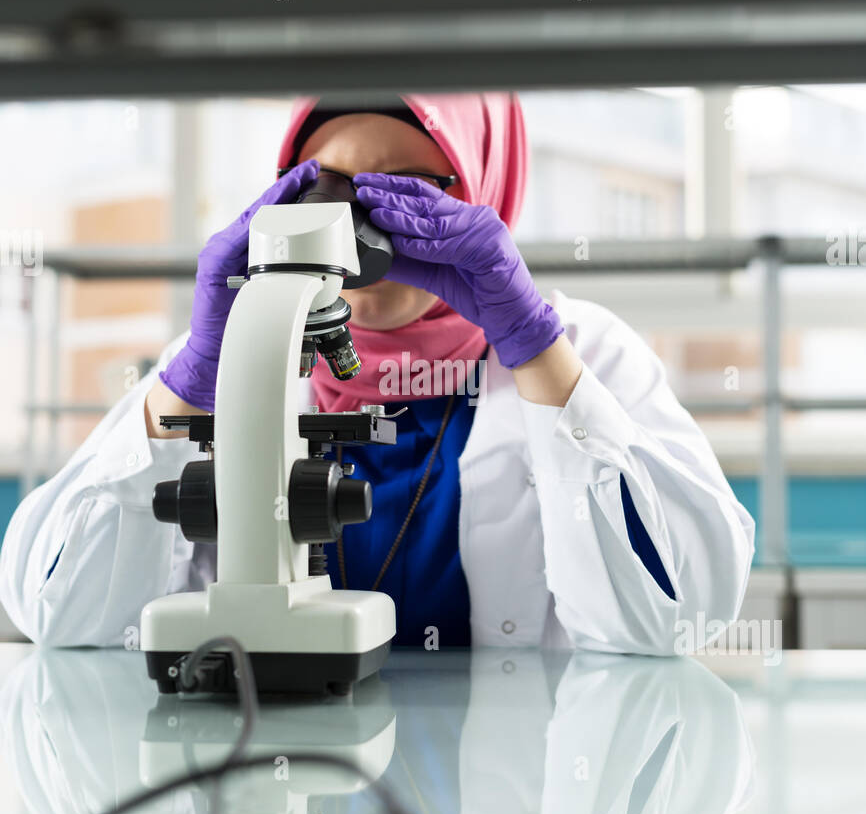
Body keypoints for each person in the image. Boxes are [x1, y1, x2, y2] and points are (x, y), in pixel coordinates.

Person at [0, 92, 754, 654]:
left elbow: (673, 618)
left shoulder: (584, 352)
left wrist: (531, 347)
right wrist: (196, 376)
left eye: (412, 194)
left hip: (511, 811)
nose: (361, 232)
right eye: (329, 192)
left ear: (486, 185)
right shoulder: (237, 354)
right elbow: (58, 615)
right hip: (284, 800)